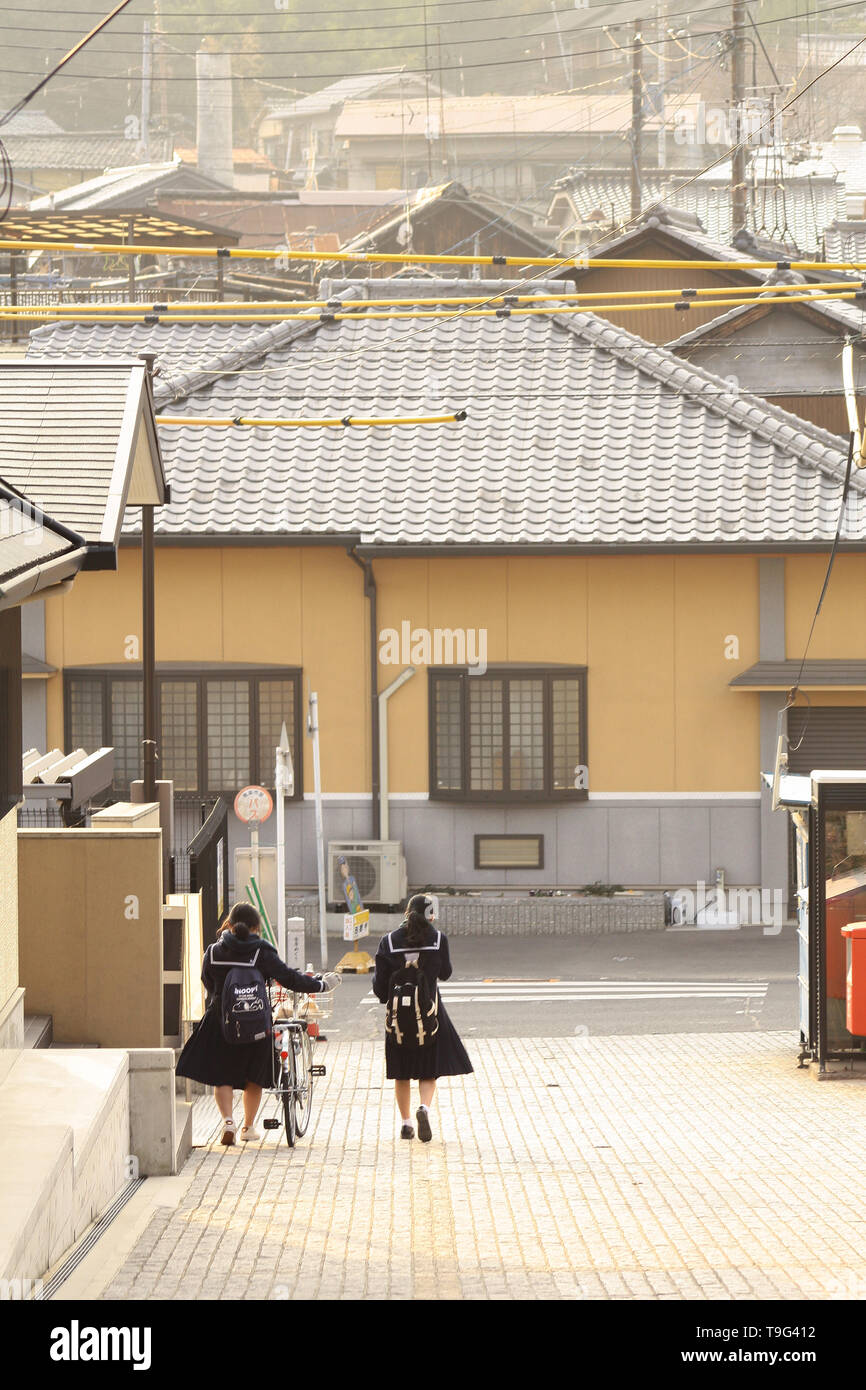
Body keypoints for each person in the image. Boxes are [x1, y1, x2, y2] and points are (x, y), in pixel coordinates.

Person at [177, 901, 337, 1146]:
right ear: (256, 928)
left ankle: (228, 1122)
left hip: (220, 1020)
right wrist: (320, 985)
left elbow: (206, 980)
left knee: (222, 1076)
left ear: (229, 924)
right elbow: (289, 978)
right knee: (255, 1077)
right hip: (255, 1022)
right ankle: (248, 1127)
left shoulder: (213, 952)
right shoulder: (262, 951)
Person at [373, 893, 473, 1143]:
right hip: (429, 1014)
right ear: (431, 916)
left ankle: (406, 1123)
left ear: (407, 912)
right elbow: (446, 973)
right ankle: (424, 1108)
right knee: (428, 1071)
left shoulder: (388, 941)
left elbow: (379, 987)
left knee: (402, 1072)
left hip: (397, 1017)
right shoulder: (438, 939)